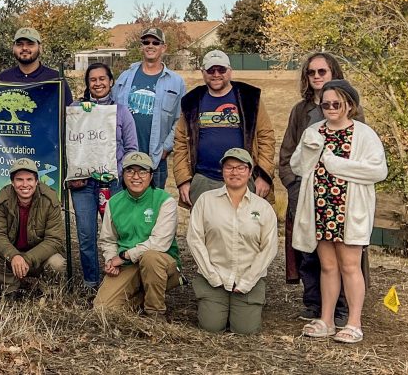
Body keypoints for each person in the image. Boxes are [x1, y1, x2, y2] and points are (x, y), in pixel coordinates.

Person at [291, 80, 387, 344]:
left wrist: (335, 164)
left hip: (348, 209)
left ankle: (354, 322)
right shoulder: (314, 131)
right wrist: (311, 150)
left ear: (349, 105)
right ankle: (327, 320)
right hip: (321, 209)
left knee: (350, 266)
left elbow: (378, 171)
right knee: (328, 266)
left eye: (337, 104)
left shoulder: (364, 134)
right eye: (326, 104)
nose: (331, 108)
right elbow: (298, 166)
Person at [278, 52, 361, 324]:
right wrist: (293, 186)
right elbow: (287, 154)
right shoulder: (301, 111)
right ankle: (314, 303)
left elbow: (361, 154)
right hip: (305, 192)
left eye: (322, 72)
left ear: (333, 72)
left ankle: (343, 308)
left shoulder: (351, 110)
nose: (316, 77)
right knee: (309, 253)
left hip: (340, 194)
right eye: (311, 72)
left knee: (342, 253)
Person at [187, 148, 278, 334]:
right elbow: (195, 240)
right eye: (229, 167)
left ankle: (241, 308)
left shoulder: (263, 207)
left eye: (241, 167)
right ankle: (215, 305)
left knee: (245, 330)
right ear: (222, 171)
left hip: (247, 280)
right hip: (214, 278)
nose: (234, 172)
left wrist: (247, 281)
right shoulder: (206, 201)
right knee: (211, 327)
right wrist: (212, 276)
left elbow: (269, 248)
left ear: (250, 172)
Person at [172, 49, 275, 209]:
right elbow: (180, 143)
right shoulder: (192, 101)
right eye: (211, 70)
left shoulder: (249, 98)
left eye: (221, 69)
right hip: (204, 180)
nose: (216, 74)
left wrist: (263, 175)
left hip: (243, 178)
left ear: (230, 71)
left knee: (244, 230)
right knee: (205, 231)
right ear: (203, 72)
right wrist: (183, 180)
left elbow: (265, 137)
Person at [68, 62, 138, 290]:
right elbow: (69, 145)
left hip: (113, 184)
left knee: (116, 233)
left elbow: (131, 149)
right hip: (83, 184)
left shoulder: (121, 111)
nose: (97, 83)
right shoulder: (77, 109)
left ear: (111, 82)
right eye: (92, 80)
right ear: (87, 84)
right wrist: (72, 175)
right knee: (86, 235)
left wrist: (123, 175)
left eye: (102, 79)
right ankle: (90, 282)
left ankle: (116, 281)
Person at [93, 152, 181, 314]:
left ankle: (154, 313)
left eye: (142, 171)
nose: (136, 176)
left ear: (151, 175)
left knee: (150, 257)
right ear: (123, 174)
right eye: (130, 171)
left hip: (159, 261)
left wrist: (123, 256)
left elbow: (159, 243)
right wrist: (111, 260)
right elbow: (108, 239)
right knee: (102, 309)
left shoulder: (165, 201)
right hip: (127, 265)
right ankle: (140, 298)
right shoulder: (113, 203)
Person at [112, 26, 186, 190]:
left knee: (153, 210)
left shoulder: (176, 82)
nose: (150, 45)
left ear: (163, 47)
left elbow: (180, 119)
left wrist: (166, 148)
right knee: (124, 208)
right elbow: (112, 110)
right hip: (125, 158)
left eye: (155, 42)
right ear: (141, 46)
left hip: (155, 158)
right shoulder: (125, 76)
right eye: (146, 42)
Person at [0, 158, 66, 295]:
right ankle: (11, 288)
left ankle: (47, 291)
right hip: (12, 257)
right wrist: (14, 256)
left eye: (29, 179)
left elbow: (54, 240)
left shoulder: (50, 199)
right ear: (12, 182)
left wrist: (27, 259)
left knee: (57, 262)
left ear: (36, 181)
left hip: (39, 258)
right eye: (19, 180)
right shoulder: (3, 198)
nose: (25, 184)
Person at [0, 27, 72, 105]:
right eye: (19, 44)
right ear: (13, 49)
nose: (24, 48)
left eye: (30, 44)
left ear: (40, 48)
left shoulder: (55, 79)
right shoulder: (4, 78)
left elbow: (70, 112)